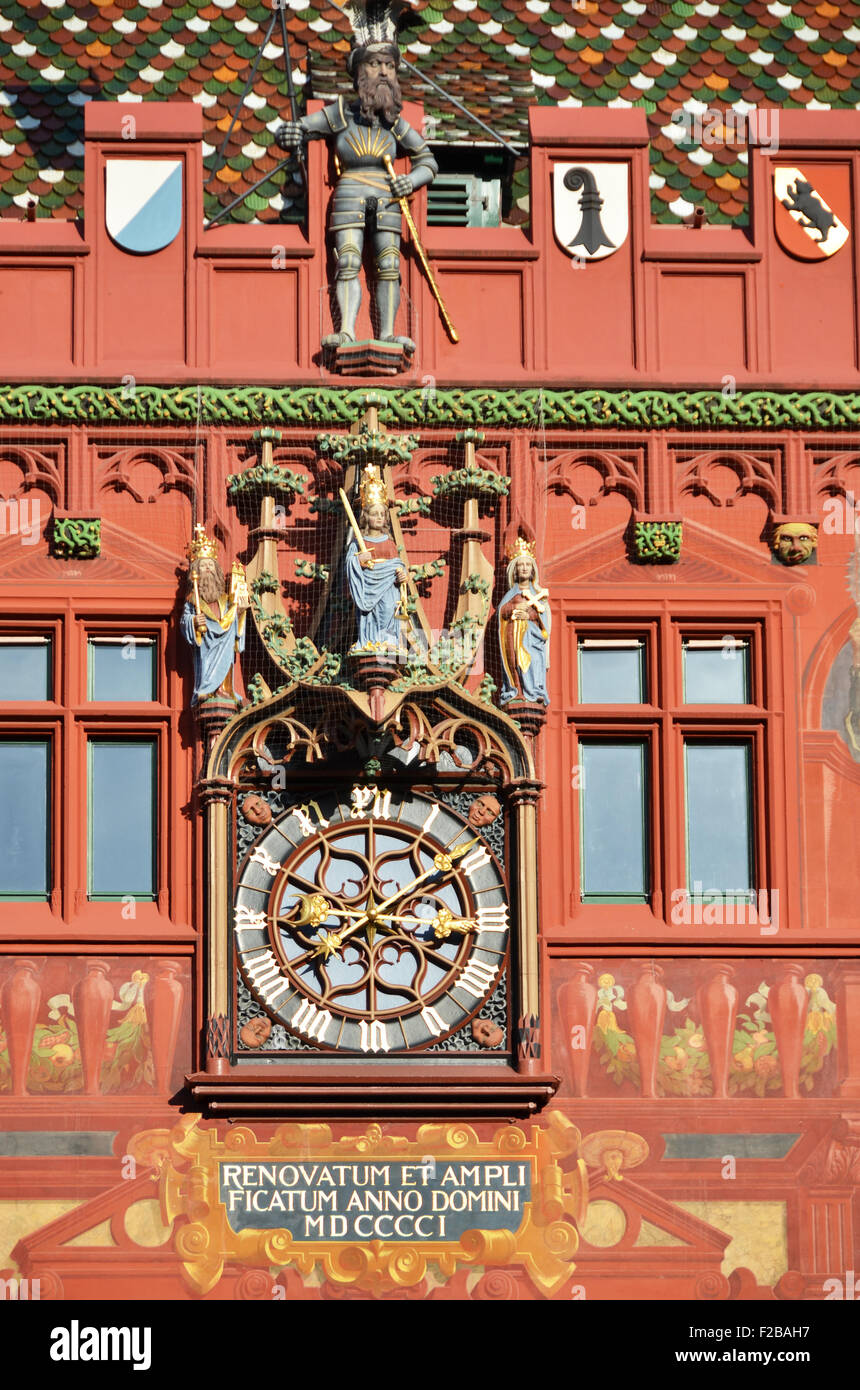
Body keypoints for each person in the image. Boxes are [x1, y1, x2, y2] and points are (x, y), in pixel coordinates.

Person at [274, 14, 437, 350]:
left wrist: (411, 180)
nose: (383, 73)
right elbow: (299, 128)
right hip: (349, 194)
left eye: (389, 66)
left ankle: (387, 333)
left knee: (389, 263)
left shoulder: (395, 123)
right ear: (358, 71)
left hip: (388, 195)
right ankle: (347, 330)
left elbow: (428, 160)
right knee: (347, 258)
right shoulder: (341, 115)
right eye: (375, 64)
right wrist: (288, 132)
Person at [180, 525, 248, 704]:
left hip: (224, 645)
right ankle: (206, 688)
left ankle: (225, 690)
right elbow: (184, 620)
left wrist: (239, 612)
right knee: (205, 664)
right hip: (205, 648)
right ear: (196, 572)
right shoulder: (193, 600)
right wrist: (194, 621)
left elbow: (233, 622)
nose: (208, 568)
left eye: (210, 565)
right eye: (203, 566)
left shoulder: (225, 600)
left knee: (226, 665)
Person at [498, 539, 551, 707]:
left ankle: (534, 691)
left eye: (528, 565)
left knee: (532, 660)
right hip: (513, 636)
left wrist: (530, 615)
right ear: (515, 570)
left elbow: (544, 619)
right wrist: (514, 609)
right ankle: (516, 690)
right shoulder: (511, 594)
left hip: (532, 637)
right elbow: (502, 612)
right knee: (514, 661)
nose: (525, 568)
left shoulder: (538, 595)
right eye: (521, 565)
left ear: (532, 569)